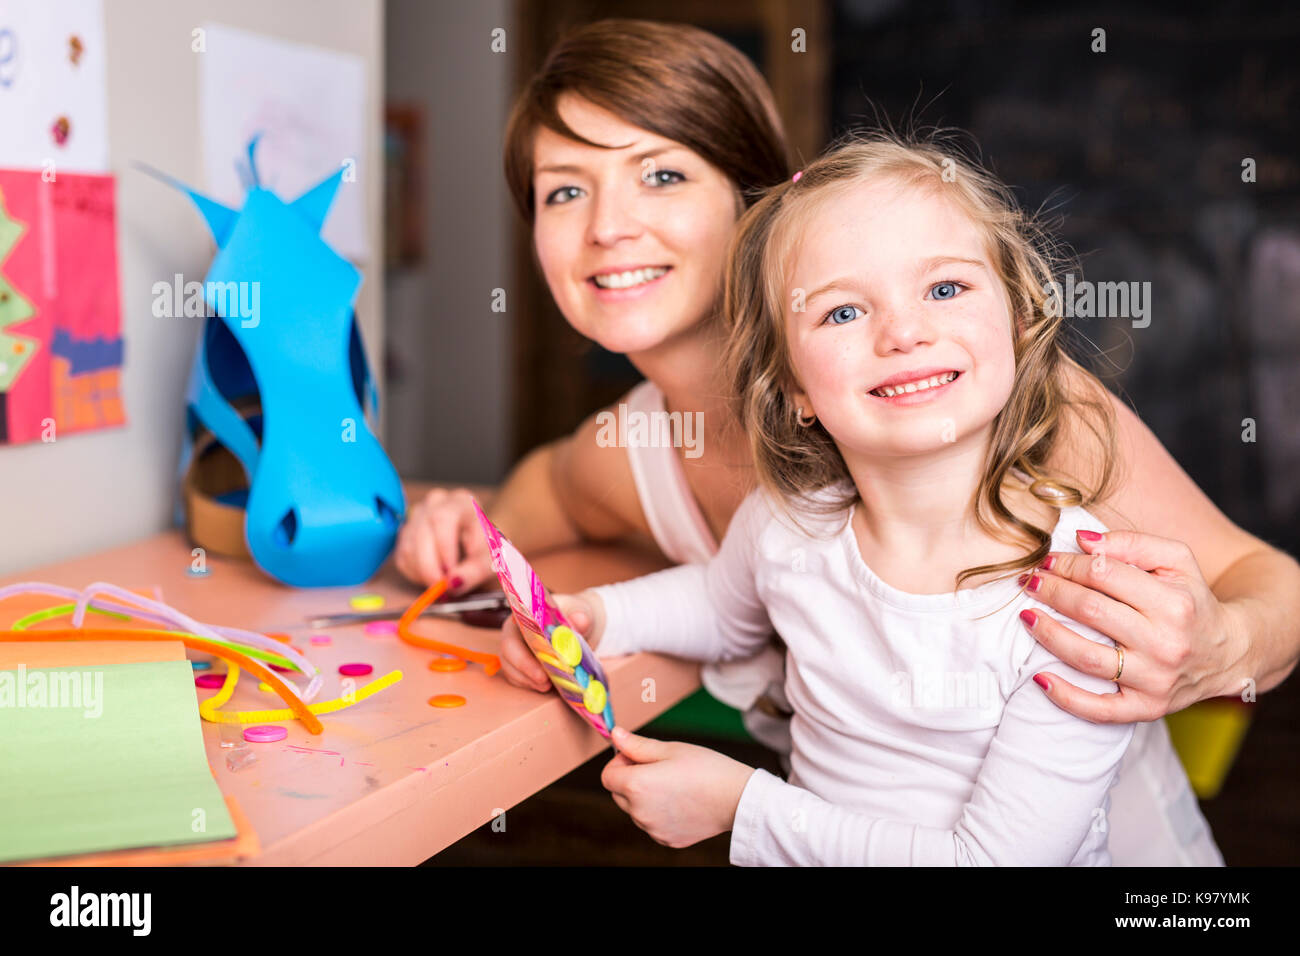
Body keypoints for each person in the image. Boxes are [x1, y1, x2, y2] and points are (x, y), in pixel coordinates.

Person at [395, 19, 1300, 864]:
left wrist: (1222, 645)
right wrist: (463, 532)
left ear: (752, 200)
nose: (607, 226)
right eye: (564, 190)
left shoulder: (1013, 403)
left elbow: (1270, 586)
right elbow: (521, 517)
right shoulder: (636, 456)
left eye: (662, 173)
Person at [528, 133, 1220, 865]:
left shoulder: (1081, 599)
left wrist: (743, 807)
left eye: (945, 289)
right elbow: (719, 608)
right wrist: (599, 615)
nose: (904, 331)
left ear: (1020, 322)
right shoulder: (786, 525)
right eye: (842, 313)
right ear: (794, 388)